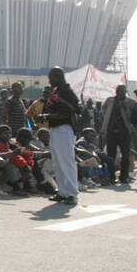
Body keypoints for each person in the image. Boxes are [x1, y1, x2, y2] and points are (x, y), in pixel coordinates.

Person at [40, 67, 81, 204]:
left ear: (58, 77)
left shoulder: (66, 92)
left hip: (64, 128)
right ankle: (63, 192)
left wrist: (46, 116)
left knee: (67, 162)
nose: (50, 81)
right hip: (56, 129)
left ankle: (72, 194)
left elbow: (65, 113)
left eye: (51, 78)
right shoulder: (57, 91)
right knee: (58, 163)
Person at [99, 84, 137, 185]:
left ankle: (123, 176)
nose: (119, 93)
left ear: (125, 92)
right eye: (118, 91)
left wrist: (125, 109)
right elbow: (104, 111)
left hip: (124, 131)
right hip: (111, 131)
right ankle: (111, 176)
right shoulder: (110, 100)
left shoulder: (130, 102)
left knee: (125, 155)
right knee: (111, 155)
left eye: (122, 91)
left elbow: (133, 118)